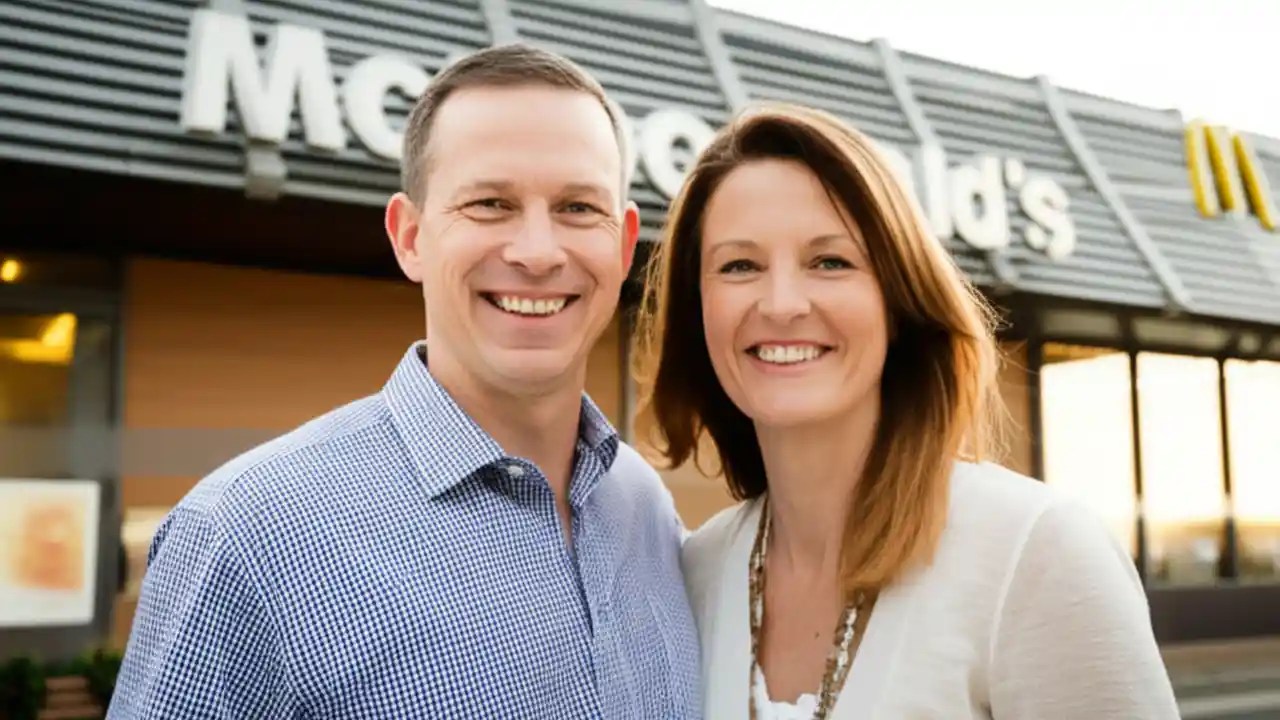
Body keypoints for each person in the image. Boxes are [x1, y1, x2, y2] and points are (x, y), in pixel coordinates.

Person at [109, 44, 700, 719]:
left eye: (576, 208)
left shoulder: (644, 509)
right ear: (410, 237)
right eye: (489, 203)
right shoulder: (247, 535)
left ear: (624, 246)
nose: (538, 252)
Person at [634, 103, 1180, 719]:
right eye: (739, 265)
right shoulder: (699, 572)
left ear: (898, 302)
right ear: (697, 309)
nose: (781, 303)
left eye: (830, 261)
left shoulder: (1037, 552)